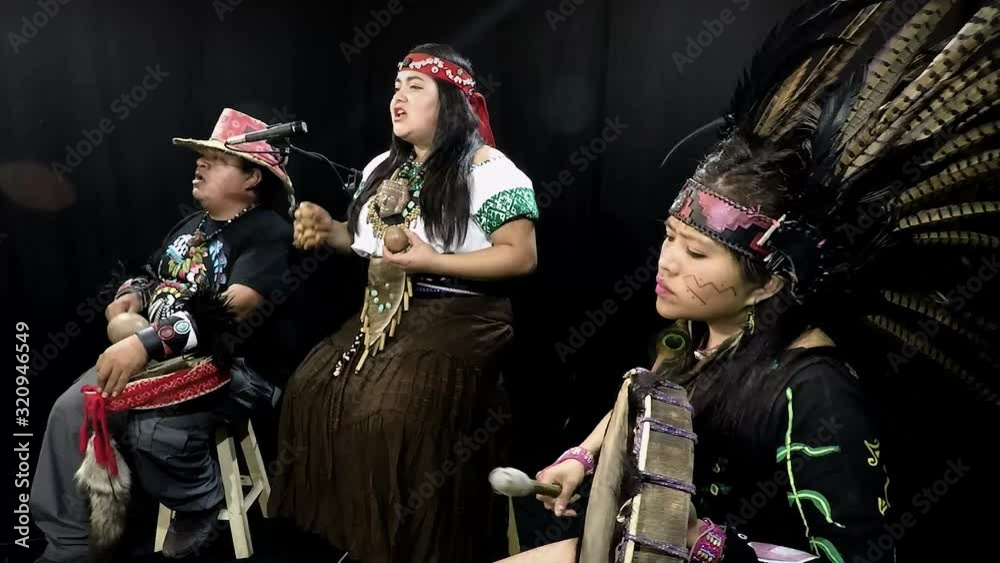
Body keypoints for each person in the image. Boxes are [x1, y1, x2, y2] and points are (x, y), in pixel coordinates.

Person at [503, 2, 1000, 562]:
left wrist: (702, 542)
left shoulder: (815, 395)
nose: (666, 262)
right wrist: (584, 458)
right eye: (669, 237)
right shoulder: (708, 336)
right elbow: (646, 394)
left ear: (767, 284)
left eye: (696, 251)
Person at [266, 43, 539, 563]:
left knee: (389, 413)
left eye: (416, 88)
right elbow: (366, 241)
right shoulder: (383, 168)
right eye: (396, 87)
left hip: (464, 317)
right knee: (310, 388)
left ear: (453, 104)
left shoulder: (491, 170)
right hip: (387, 310)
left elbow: (520, 257)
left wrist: (431, 260)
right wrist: (331, 230)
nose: (398, 98)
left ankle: (414, 543)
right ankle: (361, 532)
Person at [31, 108, 295, 562]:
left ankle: (200, 503)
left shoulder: (268, 232)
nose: (200, 164)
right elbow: (150, 273)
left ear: (252, 177)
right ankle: (68, 548)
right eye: (200, 157)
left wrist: (145, 343)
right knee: (69, 409)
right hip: (159, 362)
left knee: (152, 428)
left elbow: (233, 309)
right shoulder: (189, 227)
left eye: (216, 158)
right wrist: (131, 294)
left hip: (234, 370)